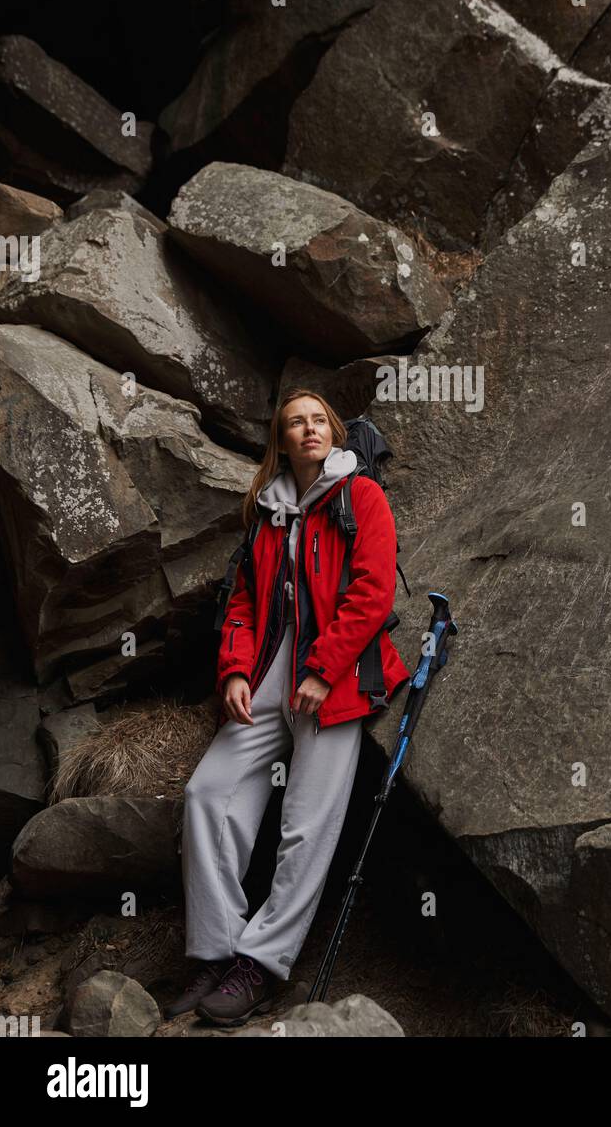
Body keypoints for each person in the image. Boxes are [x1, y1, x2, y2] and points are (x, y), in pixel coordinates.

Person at [166, 389, 412, 1025]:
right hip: (271, 676)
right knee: (208, 793)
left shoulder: (362, 498)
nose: (308, 431)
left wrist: (323, 671)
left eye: (318, 421)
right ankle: (217, 948)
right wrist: (236, 671)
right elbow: (245, 604)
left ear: (333, 431)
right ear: (281, 440)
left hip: (337, 681)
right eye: (295, 424)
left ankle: (263, 964)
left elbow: (372, 592)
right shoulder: (268, 514)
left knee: (307, 823)